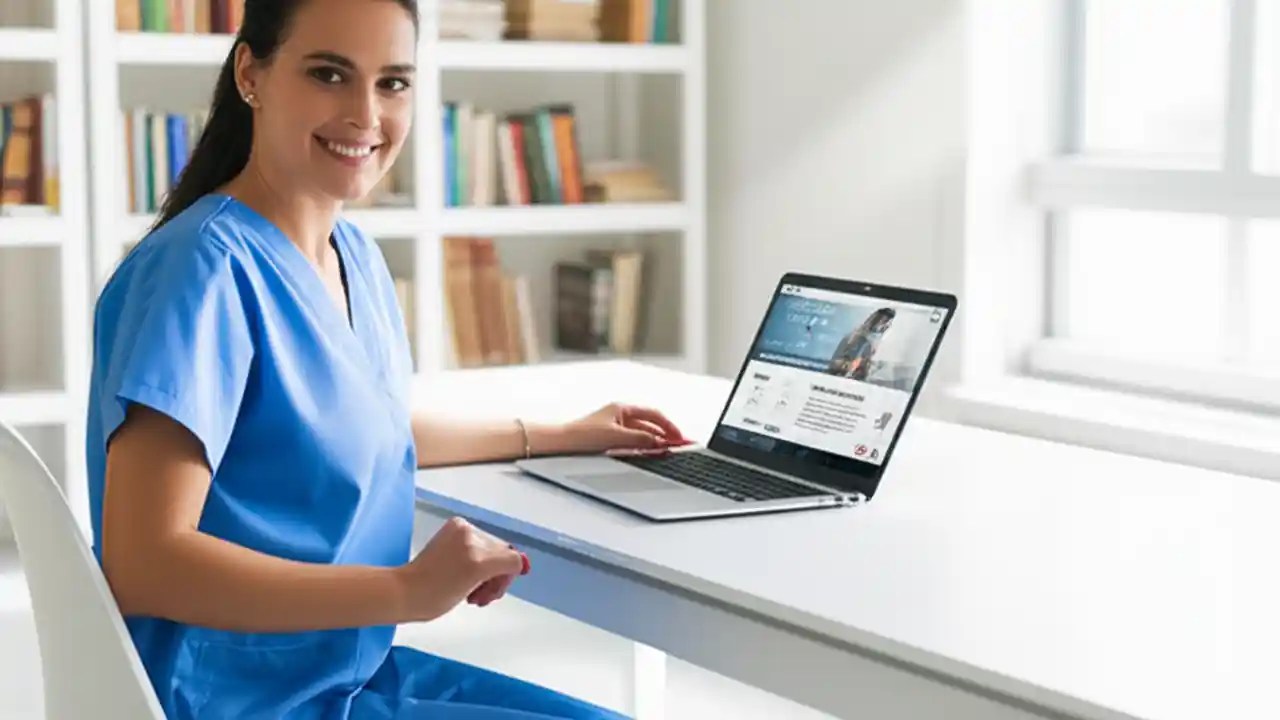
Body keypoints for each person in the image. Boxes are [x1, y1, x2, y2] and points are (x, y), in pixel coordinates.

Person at [84, 1, 688, 718]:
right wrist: (407, 590)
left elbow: (357, 425)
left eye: (393, 83)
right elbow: (145, 563)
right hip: (240, 700)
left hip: (342, 668)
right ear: (251, 73)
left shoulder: (354, 259)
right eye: (330, 73)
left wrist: (561, 433)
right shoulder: (201, 271)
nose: (366, 114)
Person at [826, 307, 895, 380]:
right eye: (880, 319)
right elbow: (839, 361)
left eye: (885, 321)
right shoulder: (857, 335)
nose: (881, 322)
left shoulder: (875, 340)